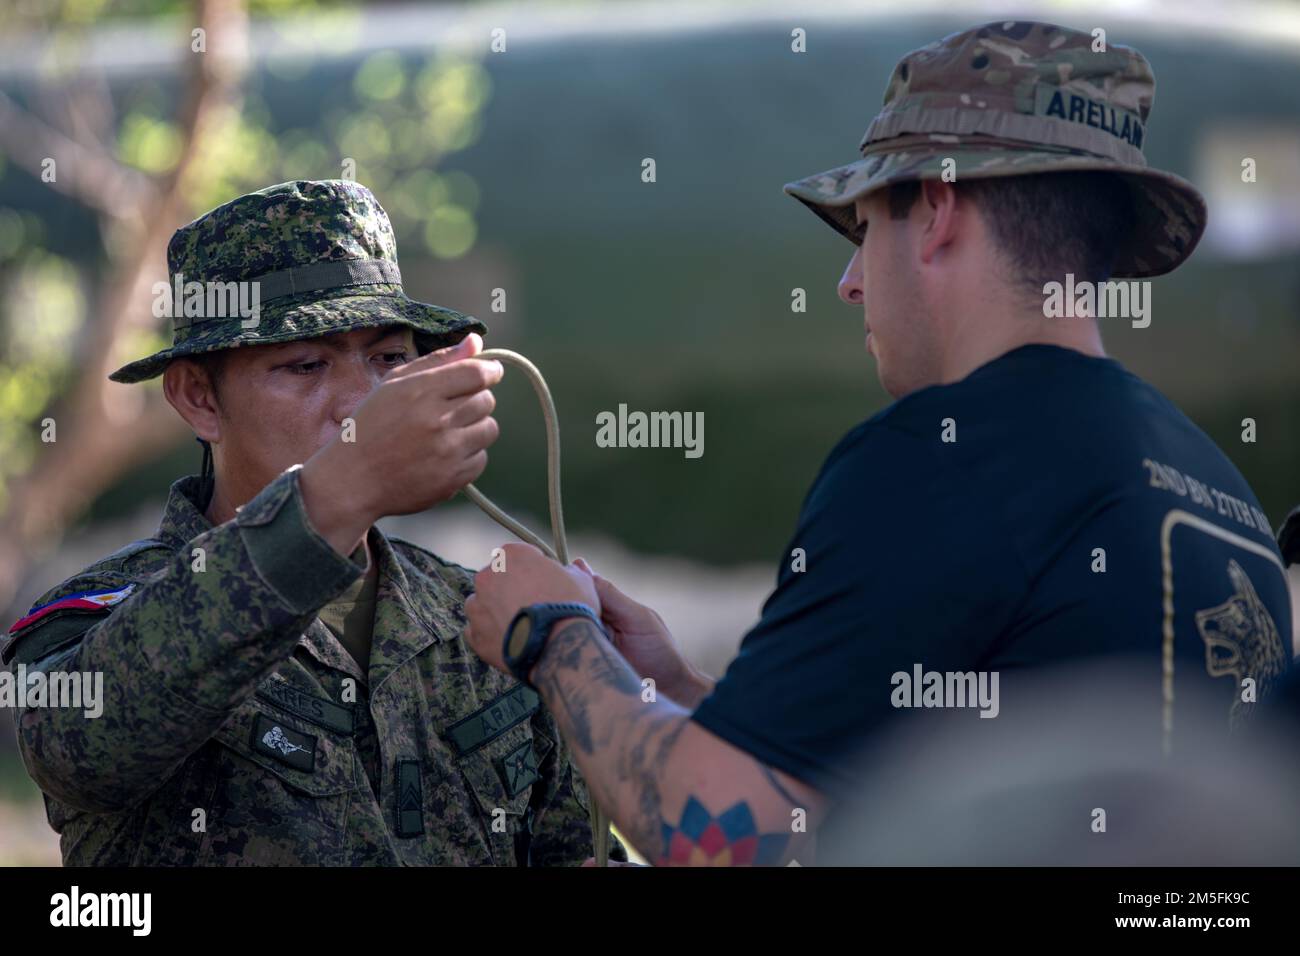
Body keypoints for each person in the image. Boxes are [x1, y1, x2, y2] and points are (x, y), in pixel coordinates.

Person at [460, 21, 1295, 866]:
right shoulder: (1220, 496)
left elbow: (721, 837)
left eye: (864, 230)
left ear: (935, 211)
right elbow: (897, 804)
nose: (850, 282)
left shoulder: (945, 452)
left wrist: (550, 637)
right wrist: (671, 693)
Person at [3, 179, 622, 866]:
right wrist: (336, 492)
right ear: (198, 397)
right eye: (304, 365)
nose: (361, 401)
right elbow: (79, 751)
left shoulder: (485, 617)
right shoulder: (103, 618)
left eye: (389, 359)